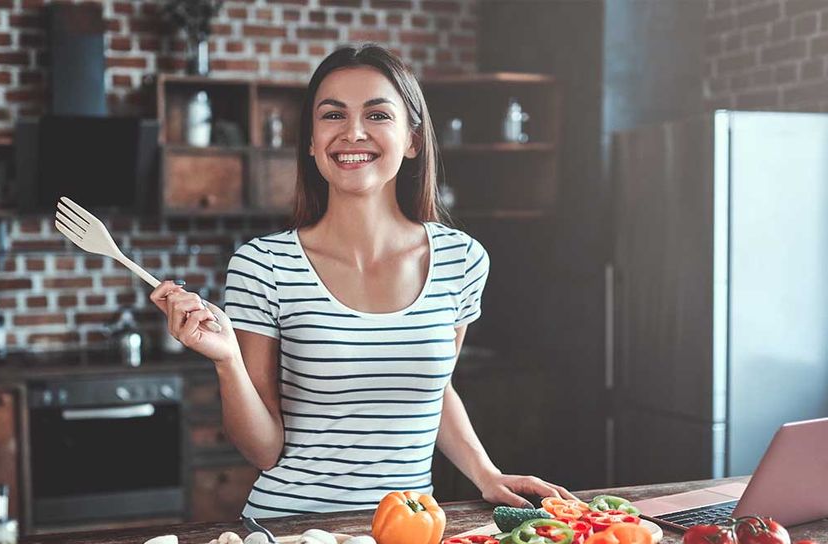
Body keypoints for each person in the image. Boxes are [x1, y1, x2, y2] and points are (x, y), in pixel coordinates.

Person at [151, 44, 574, 518]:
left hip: (410, 535)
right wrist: (228, 360)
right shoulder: (263, 264)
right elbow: (263, 451)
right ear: (311, 141)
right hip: (293, 534)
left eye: (377, 115)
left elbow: (435, 389)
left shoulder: (462, 260)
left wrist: (485, 471)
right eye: (332, 115)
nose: (353, 132)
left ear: (413, 139)